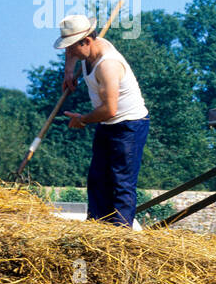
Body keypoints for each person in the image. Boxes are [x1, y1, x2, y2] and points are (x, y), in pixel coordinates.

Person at [57, 14, 150, 228]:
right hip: (107, 124)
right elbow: (71, 53)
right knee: (97, 178)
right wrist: (68, 72)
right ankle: (96, 229)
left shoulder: (108, 65)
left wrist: (82, 120)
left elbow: (109, 109)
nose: (69, 52)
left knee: (121, 182)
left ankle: (119, 235)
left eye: (71, 47)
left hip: (129, 125)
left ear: (87, 41)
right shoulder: (86, 49)